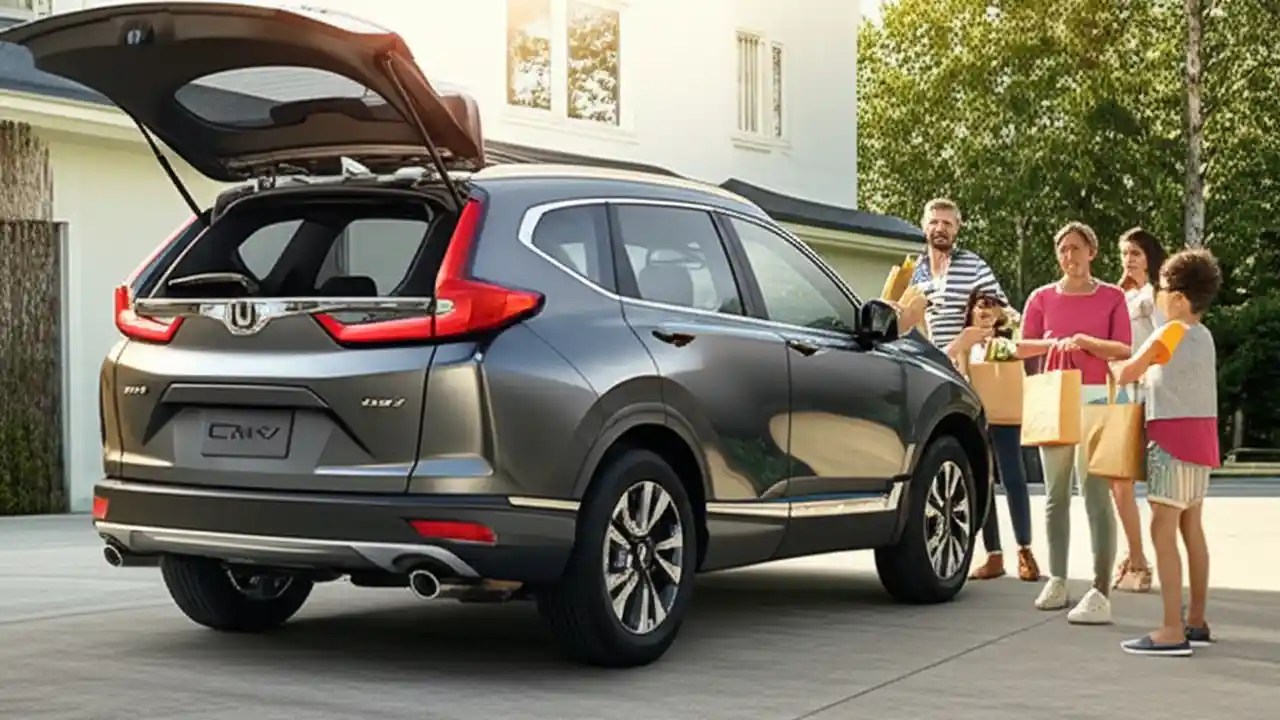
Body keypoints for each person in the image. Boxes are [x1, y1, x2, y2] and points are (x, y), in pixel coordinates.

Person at [1017, 221, 1133, 624]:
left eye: (1076, 248)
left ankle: (1100, 589)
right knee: (1055, 494)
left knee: (1096, 494)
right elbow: (1020, 347)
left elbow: (1124, 348)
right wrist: (1055, 343)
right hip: (1054, 397)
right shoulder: (1041, 297)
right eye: (1063, 249)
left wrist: (1085, 342)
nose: (1069, 256)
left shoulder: (1113, 296)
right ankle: (1058, 579)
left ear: (1091, 252)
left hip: (1098, 398)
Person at [1113, 248, 1222, 656]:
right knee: (1192, 529)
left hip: (1171, 440)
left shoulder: (1169, 332)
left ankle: (1171, 630)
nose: (1157, 296)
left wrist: (1109, 362)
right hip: (1201, 442)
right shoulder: (1204, 335)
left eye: (1161, 289)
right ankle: (1196, 620)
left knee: (1161, 528)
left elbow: (1128, 371)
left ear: (1177, 297)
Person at [945, 288, 1041, 582]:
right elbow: (948, 365)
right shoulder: (965, 344)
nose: (985, 309)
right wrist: (961, 345)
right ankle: (993, 554)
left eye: (991, 304)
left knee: (1014, 480)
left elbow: (1021, 351)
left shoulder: (1005, 341)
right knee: (983, 484)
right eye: (979, 304)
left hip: (1005, 417)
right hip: (976, 419)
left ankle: (1025, 549)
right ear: (970, 311)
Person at [1111, 227, 1168, 594]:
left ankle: (1143, 561)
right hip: (1119, 394)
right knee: (1118, 479)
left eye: (1135, 253)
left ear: (1149, 257)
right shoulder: (1120, 296)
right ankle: (1134, 556)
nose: (1128, 259)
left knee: (1153, 484)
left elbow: (1166, 342)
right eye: (1124, 253)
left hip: (1150, 394)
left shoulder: (1156, 296)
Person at [907, 198, 1008, 349]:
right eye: (933, 222)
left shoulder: (974, 266)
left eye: (947, 223)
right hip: (923, 358)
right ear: (923, 226)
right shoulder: (914, 270)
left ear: (957, 228)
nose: (940, 228)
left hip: (963, 358)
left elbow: (1004, 316)